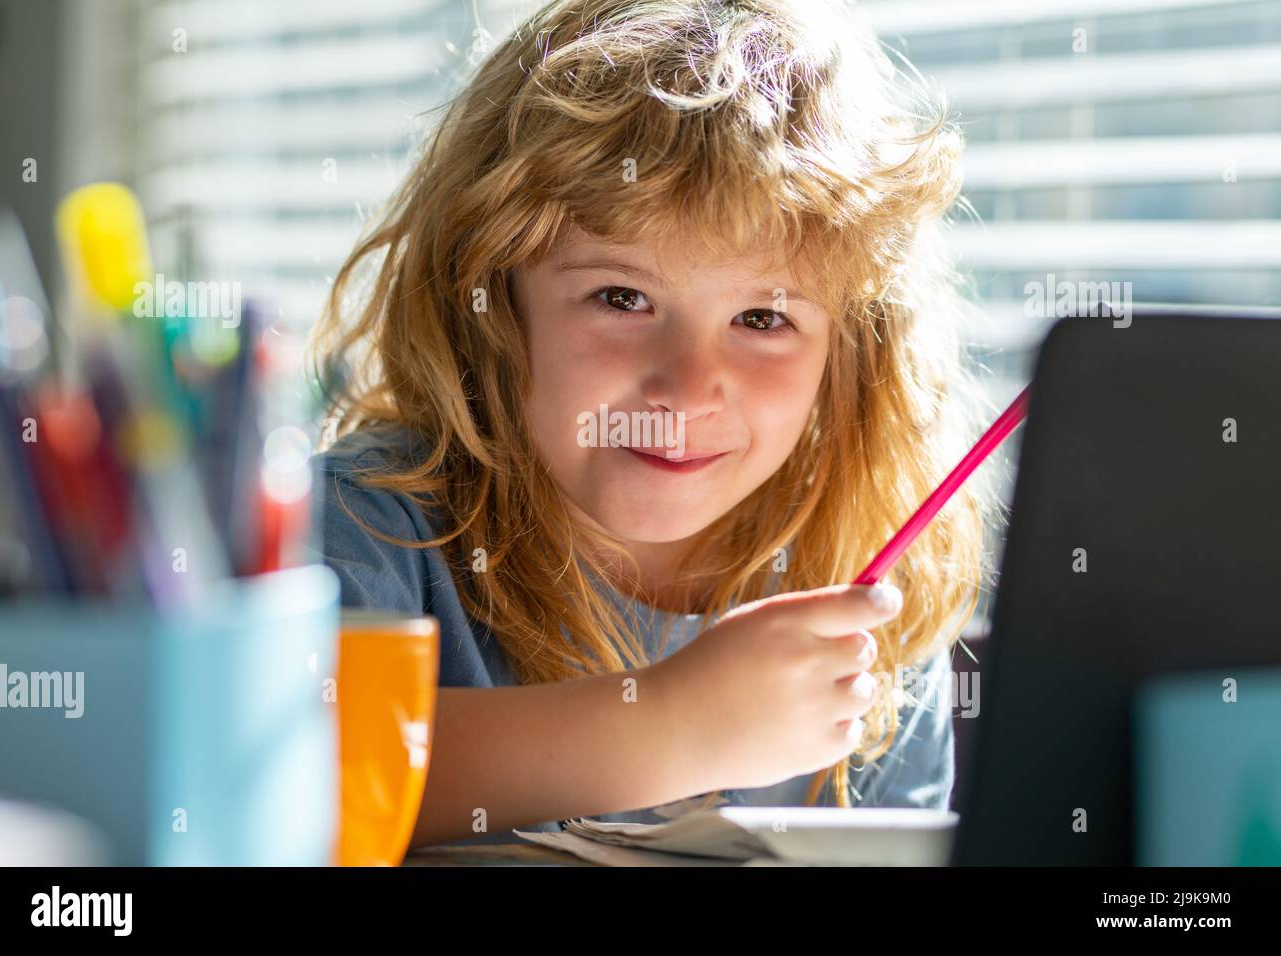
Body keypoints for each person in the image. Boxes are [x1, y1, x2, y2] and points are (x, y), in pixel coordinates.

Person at [308, 0, 995, 849]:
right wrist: (669, 728)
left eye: (763, 320)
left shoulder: (864, 616)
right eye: (622, 298)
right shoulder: (372, 525)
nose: (689, 387)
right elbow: (293, 782)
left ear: (849, 355)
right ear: (488, 300)